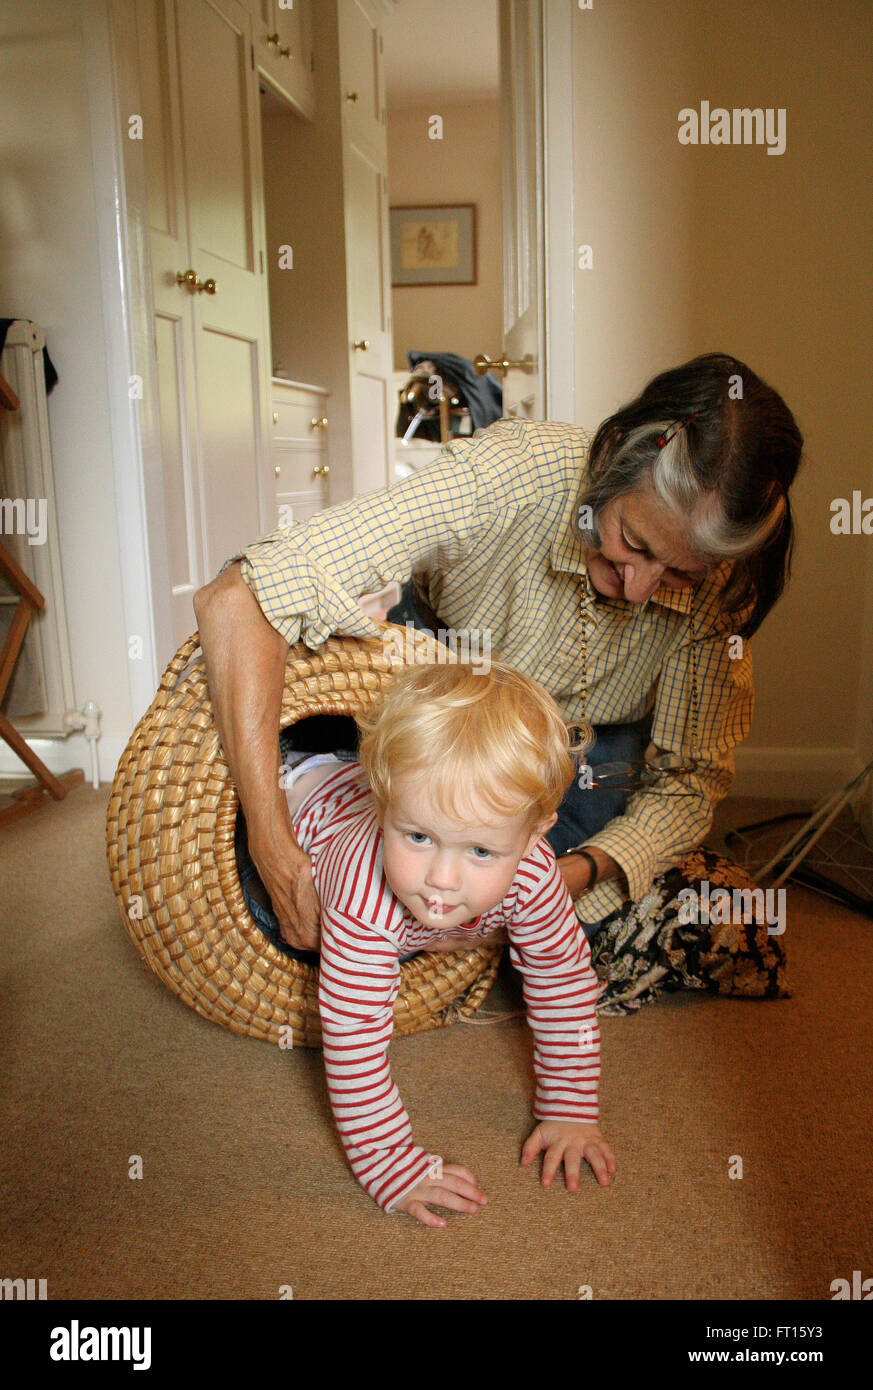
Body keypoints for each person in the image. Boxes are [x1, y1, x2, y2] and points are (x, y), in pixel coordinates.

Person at [194, 352, 803, 951]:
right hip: (434, 712)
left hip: (585, 759)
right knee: (285, 908)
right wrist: (270, 843)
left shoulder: (724, 584)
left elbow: (690, 780)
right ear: (613, 452)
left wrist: (565, 880)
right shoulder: (509, 473)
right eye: (633, 542)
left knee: (569, 936)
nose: (641, 591)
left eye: (680, 577)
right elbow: (237, 597)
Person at [282, 659, 616, 1224]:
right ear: (385, 808)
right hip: (306, 788)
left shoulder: (535, 874)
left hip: (379, 785)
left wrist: (570, 1107)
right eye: (417, 837)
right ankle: (310, 758)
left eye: (480, 851)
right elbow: (354, 1031)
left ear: (537, 834)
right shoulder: (361, 890)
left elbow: (562, 981)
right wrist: (390, 1163)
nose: (441, 878)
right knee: (295, 770)